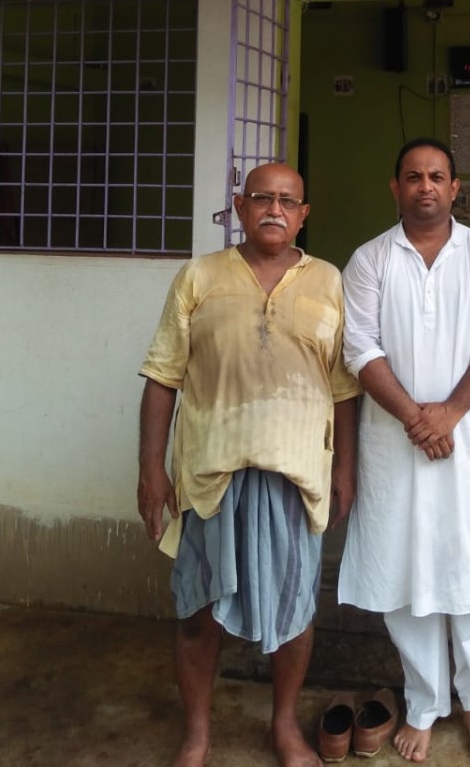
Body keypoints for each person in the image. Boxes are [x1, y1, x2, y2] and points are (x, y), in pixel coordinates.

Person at [136, 162, 359, 767]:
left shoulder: (329, 282)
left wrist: (344, 471)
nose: (274, 209)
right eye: (262, 197)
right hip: (210, 472)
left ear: (304, 214)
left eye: (288, 201)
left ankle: (283, 727)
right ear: (239, 206)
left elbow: (343, 389)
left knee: (294, 610)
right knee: (198, 611)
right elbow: (162, 377)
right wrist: (151, 468)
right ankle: (197, 735)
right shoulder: (199, 277)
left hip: (294, 477)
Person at [338, 138, 470, 767]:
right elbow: (359, 348)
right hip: (395, 441)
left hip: (467, 440)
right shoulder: (369, 260)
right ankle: (423, 701)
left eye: (436, 177)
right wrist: (418, 417)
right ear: (395, 188)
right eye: (413, 177)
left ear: (455, 187)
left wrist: (449, 413)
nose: (425, 187)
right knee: (402, 570)